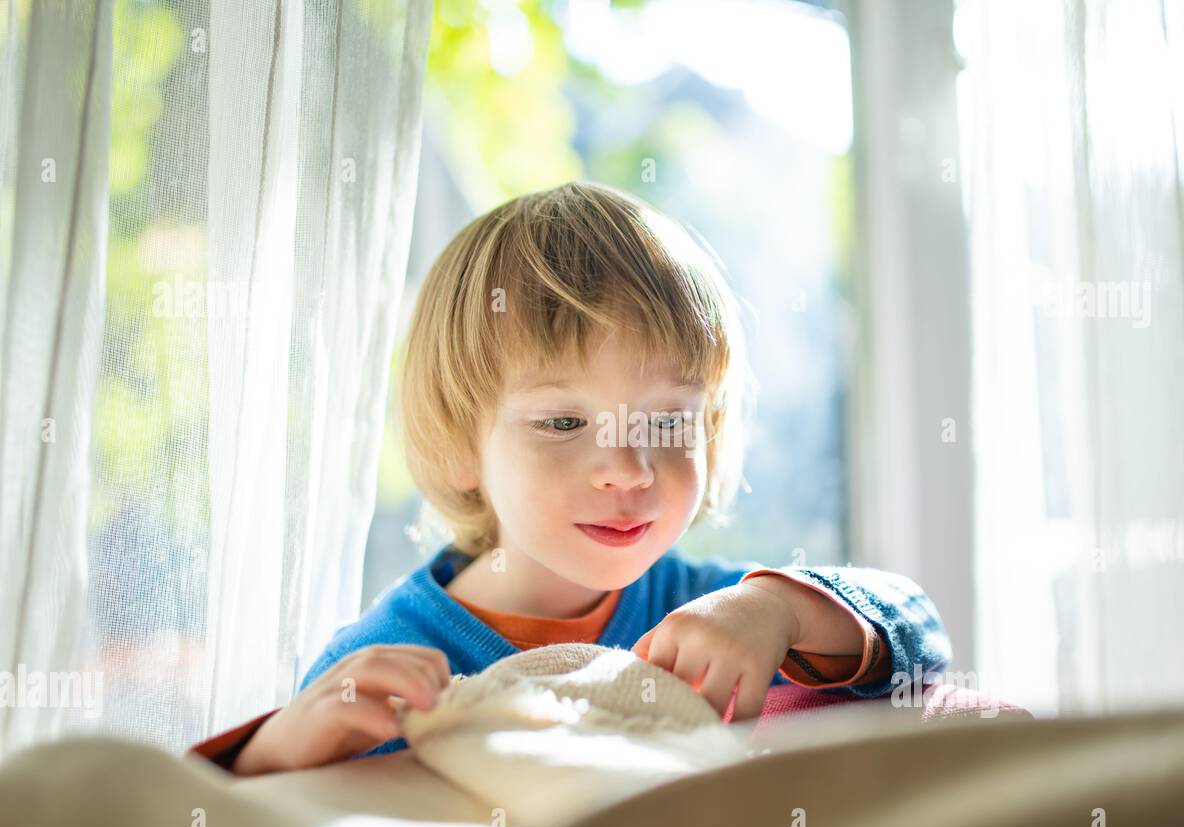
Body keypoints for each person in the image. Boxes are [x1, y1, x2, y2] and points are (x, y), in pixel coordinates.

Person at [190, 181, 952, 776]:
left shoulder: (713, 613)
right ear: (462, 446)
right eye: (561, 423)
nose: (626, 468)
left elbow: (923, 641)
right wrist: (274, 752)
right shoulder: (386, 662)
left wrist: (779, 608)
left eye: (666, 422)